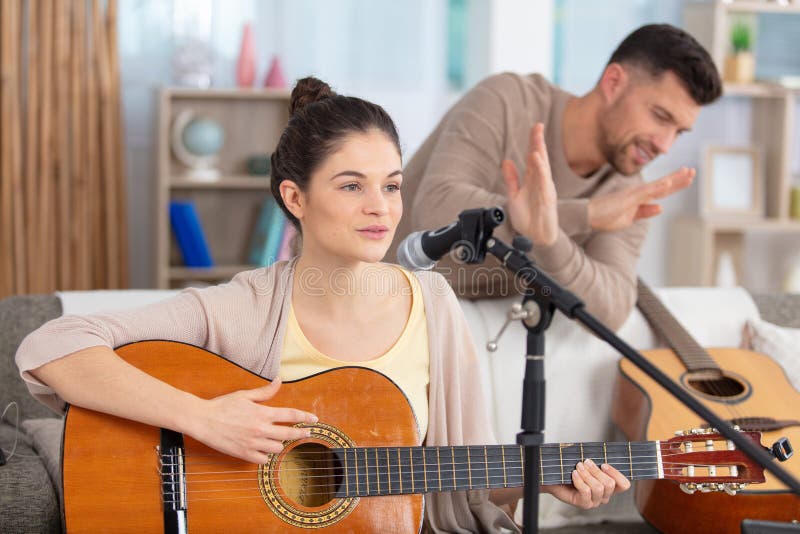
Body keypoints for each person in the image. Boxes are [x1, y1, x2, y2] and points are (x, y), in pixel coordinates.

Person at [15, 77, 629, 532]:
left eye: (391, 186)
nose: (381, 208)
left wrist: (539, 478)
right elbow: (49, 347)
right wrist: (201, 418)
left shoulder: (434, 304)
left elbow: (464, 486)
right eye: (351, 185)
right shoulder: (243, 307)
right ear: (295, 197)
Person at [390, 24, 723, 331]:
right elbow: (435, 213)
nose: (665, 145)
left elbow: (611, 309)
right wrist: (586, 215)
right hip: (379, 300)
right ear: (613, 83)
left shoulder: (627, 192)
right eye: (660, 116)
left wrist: (549, 238)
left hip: (468, 333)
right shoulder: (507, 99)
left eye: (679, 131)